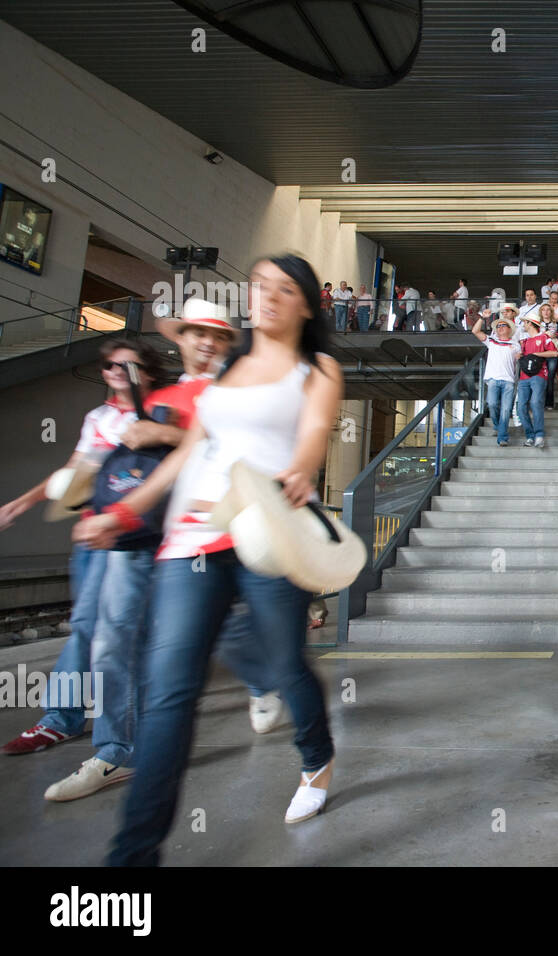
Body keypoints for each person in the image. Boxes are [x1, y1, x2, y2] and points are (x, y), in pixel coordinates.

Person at [74, 253, 343, 865]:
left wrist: (300, 470)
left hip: (267, 533)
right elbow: (185, 453)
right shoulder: (231, 369)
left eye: (282, 289)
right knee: (168, 692)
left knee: (284, 661)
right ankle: (132, 860)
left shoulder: (316, 367)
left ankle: (315, 754)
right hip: (192, 538)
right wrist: (121, 512)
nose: (266, 297)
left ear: (305, 302)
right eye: (258, 286)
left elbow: (313, 434)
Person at [1, 339, 164, 759]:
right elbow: (73, 473)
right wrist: (24, 501)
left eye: (126, 366)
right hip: (94, 537)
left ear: (147, 373)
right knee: (88, 628)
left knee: (124, 635)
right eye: (109, 365)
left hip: (136, 540)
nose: (115, 371)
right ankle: (61, 719)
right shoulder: (98, 417)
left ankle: (121, 735)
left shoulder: (163, 411)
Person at [473, 305, 521, 446]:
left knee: (506, 410)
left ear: (509, 329)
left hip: (508, 381)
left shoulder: (515, 345)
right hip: (493, 379)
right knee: (492, 404)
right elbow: (475, 331)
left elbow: (519, 356)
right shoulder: (491, 341)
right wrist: (482, 317)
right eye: (498, 325)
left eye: (503, 325)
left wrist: (520, 356)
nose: (500, 327)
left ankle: (502, 437)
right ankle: (498, 426)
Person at [516, 314, 558, 449]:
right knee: (521, 407)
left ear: (530, 323)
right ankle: (530, 436)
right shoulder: (526, 341)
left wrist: (536, 355)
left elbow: (554, 352)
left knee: (535, 402)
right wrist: (520, 356)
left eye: (525, 322)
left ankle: (539, 435)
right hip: (523, 377)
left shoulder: (543, 337)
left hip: (539, 375)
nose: (523, 325)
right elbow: (523, 356)